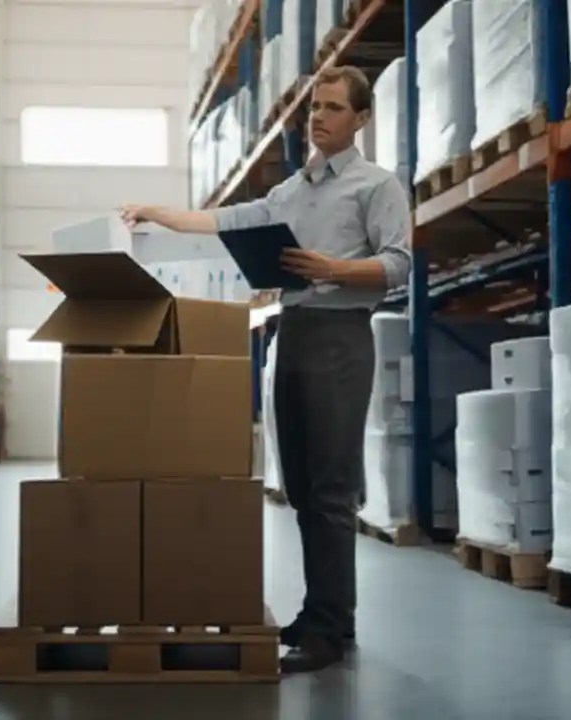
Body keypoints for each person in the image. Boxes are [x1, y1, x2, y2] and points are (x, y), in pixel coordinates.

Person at [120, 66, 412, 673]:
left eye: (334, 109)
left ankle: (328, 633)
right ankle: (324, 612)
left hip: (339, 337)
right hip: (294, 334)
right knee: (302, 488)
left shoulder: (376, 186)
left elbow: (399, 264)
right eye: (314, 108)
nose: (320, 118)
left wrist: (332, 269)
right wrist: (157, 212)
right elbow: (224, 221)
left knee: (331, 489)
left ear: (361, 119)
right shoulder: (290, 193)